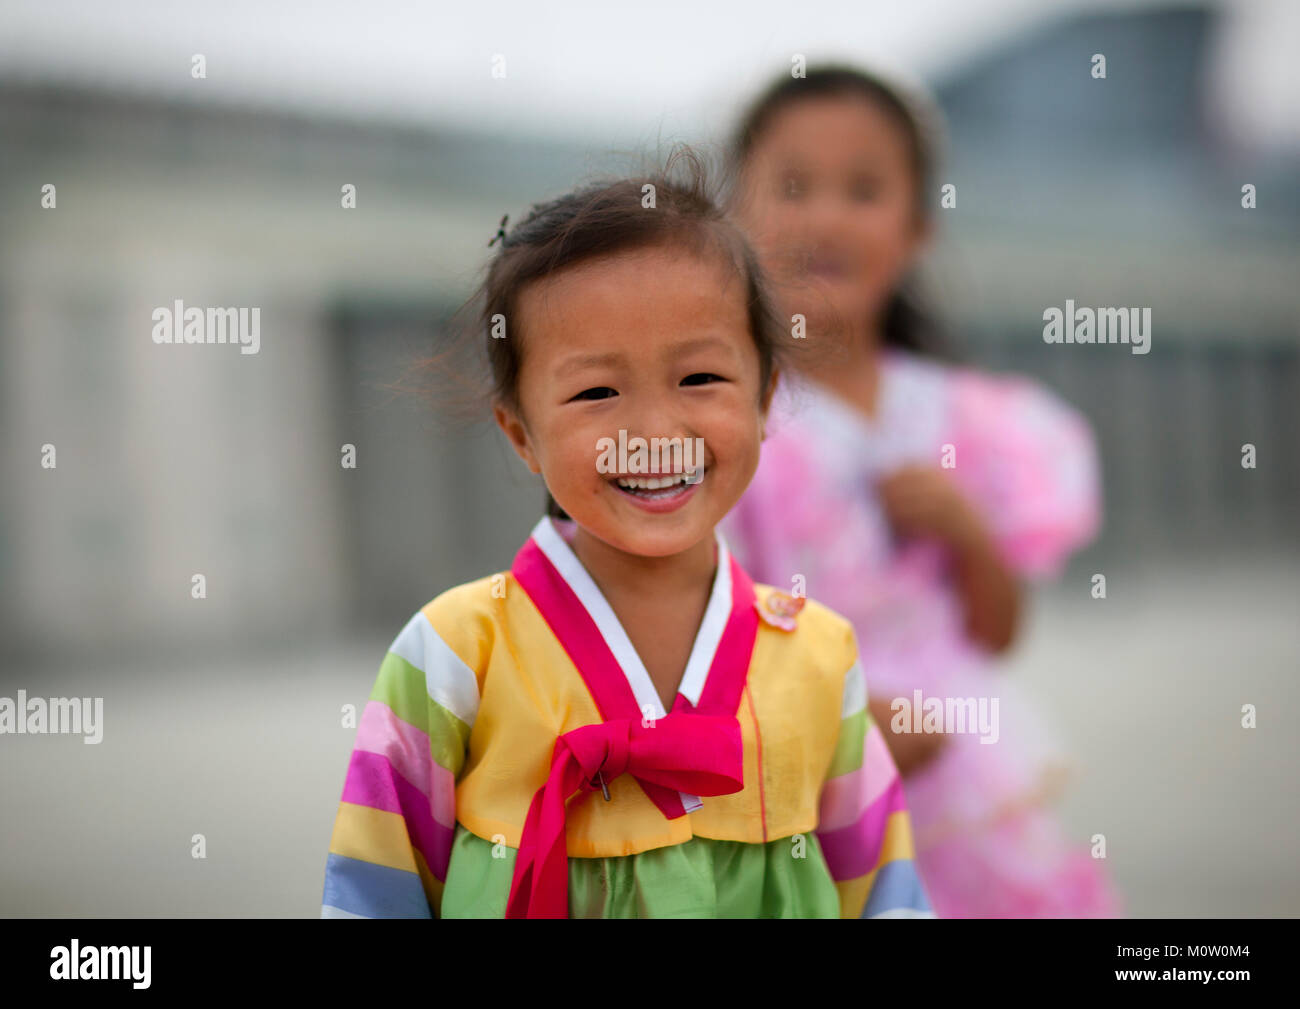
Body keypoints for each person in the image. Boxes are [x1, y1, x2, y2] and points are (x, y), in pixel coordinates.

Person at [319, 149, 933, 918]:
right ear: (520, 433)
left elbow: (884, 895)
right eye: (596, 391)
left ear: (766, 397)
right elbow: (373, 893)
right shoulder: (452, 653)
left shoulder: (819, 655)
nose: (652, 431)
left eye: (701, 378)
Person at [721, 66, 1122, 917]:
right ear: (736, 219)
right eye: (794, 185)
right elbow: (703, 632)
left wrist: (969, 531)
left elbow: (998, 630)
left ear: (917, 228)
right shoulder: (728, 421)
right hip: (810, 796)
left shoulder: (965, 417)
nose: (826, 215)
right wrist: (842, 733)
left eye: (863, 188)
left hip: (967, 795)